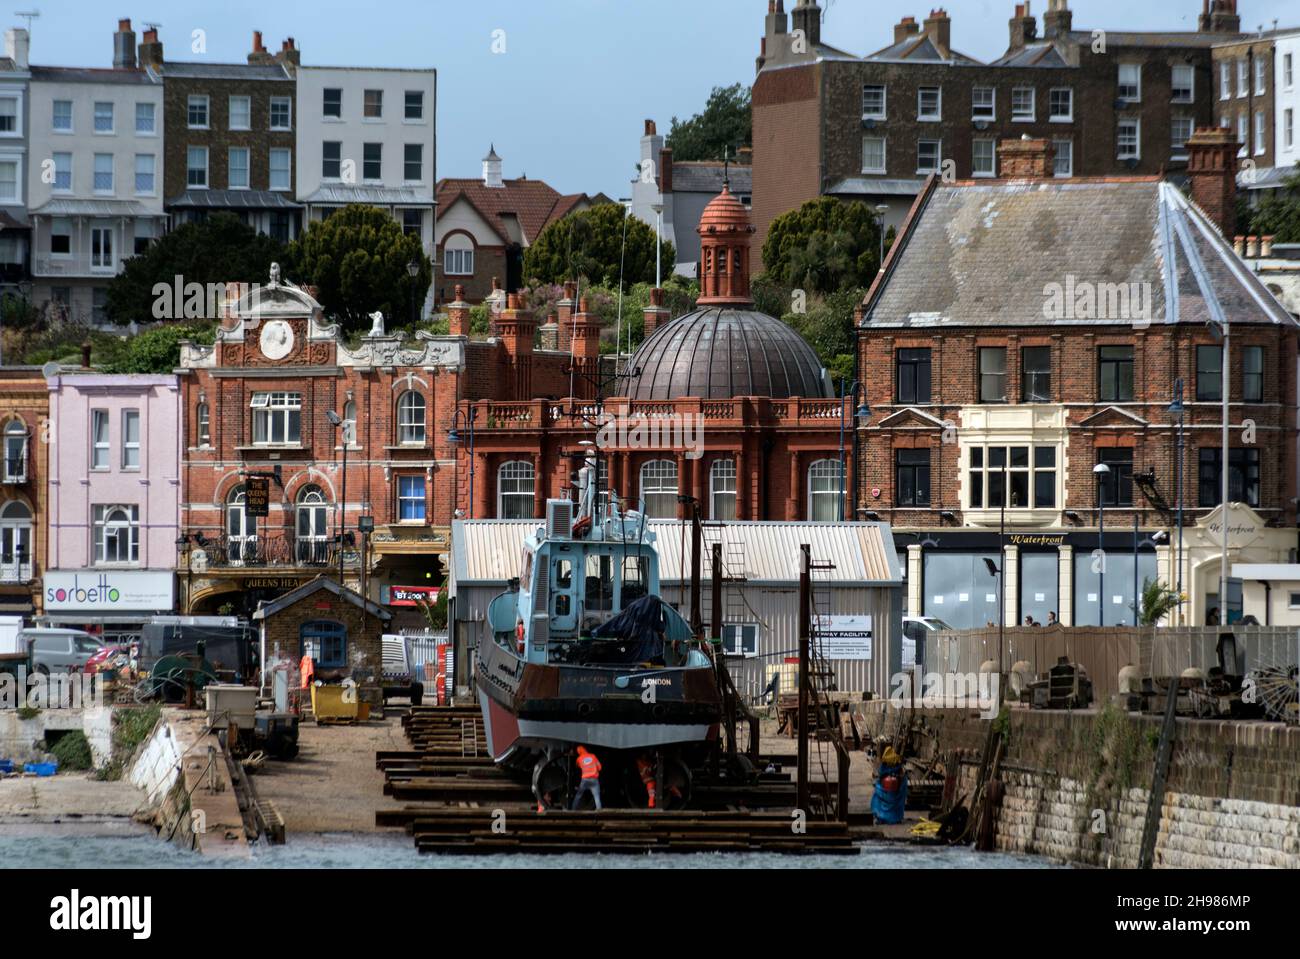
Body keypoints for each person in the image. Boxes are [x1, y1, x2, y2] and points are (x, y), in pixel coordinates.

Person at [871, 746, 908, 825]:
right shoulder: (884, 766)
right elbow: (881, 776)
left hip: (896, 792)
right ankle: (883, 815)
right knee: (878, 793)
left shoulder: (899, 768)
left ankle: (890, 816)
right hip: (886, 790)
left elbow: (902, 779)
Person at [571, 745, 603, 810]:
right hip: (594, 780)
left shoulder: (579, 759)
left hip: (585, 780)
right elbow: (600, 768)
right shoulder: (593, 756)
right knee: (596, 796)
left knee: (578, 795)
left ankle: (573, 809)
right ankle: (599, 811)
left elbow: (577, 767)